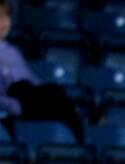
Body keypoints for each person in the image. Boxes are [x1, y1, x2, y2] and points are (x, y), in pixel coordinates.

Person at [0, 0, 83, 140]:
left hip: (28, 98)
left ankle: (79, 145)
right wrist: (14, 106)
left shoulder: (11, 50)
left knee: (56, 93)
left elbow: (31, 80)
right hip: (13, 105)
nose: (4, 23)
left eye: (6, 17)